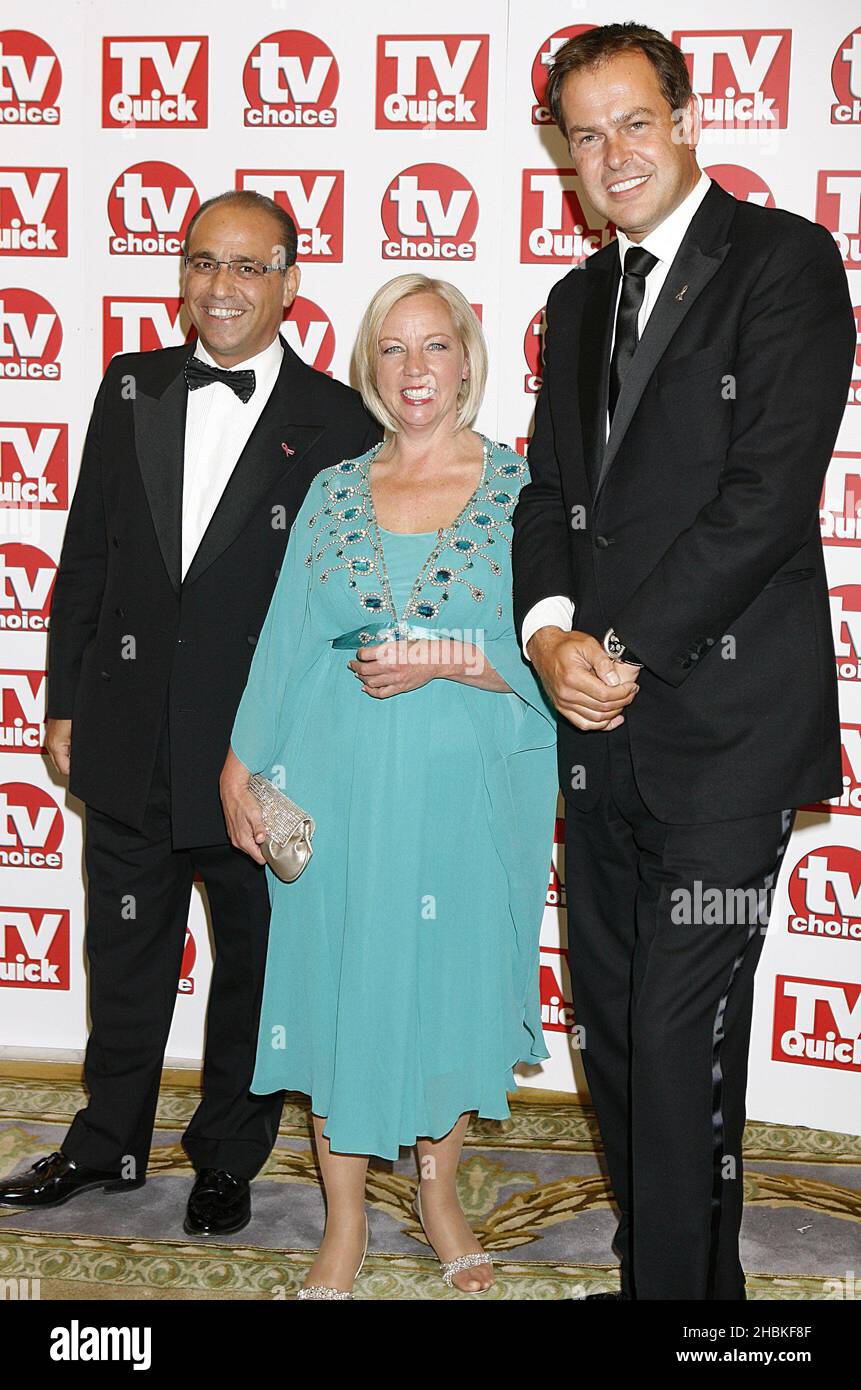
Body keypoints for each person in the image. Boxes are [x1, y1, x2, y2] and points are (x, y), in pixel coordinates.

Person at [512, 23, 855, 1301]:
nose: (612, 154)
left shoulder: (784, 261)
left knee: (678, 1032)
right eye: (584, 135)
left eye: (634, 122)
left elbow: (767, 499)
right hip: (597, 735)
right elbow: (547, 493)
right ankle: (695, 1286)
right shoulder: (572, 299)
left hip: (726, 734)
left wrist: (618, 645)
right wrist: (549, 634)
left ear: (690, 116)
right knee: (615, 1032)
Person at [0, 190, 381, 1236]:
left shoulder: (341, 420)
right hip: (127, 735)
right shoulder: (131, 386)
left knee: (253, 970)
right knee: (123, 954)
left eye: (249, 266)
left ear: (290, 283)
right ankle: (105, 1142)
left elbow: (338, 604)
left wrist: (302, 752)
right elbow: (85, 556)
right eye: (203, 262)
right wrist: (65, 699)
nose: (221, 286)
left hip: (259, 756)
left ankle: (227, 1157)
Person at [220, 273, 558, 1298]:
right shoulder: (332, 489)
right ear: (372, 368)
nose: (416, 369)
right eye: (395, 349)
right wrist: (239, 765)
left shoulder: (522, 491)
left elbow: (548, 650)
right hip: (338, 782)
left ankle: (441, 1193)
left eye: (435, 346)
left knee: (447, 987)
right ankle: (346, 1218)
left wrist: (446, 654)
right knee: (336, 986)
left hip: (465, 794)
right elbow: (284, 639)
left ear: (467, 356)